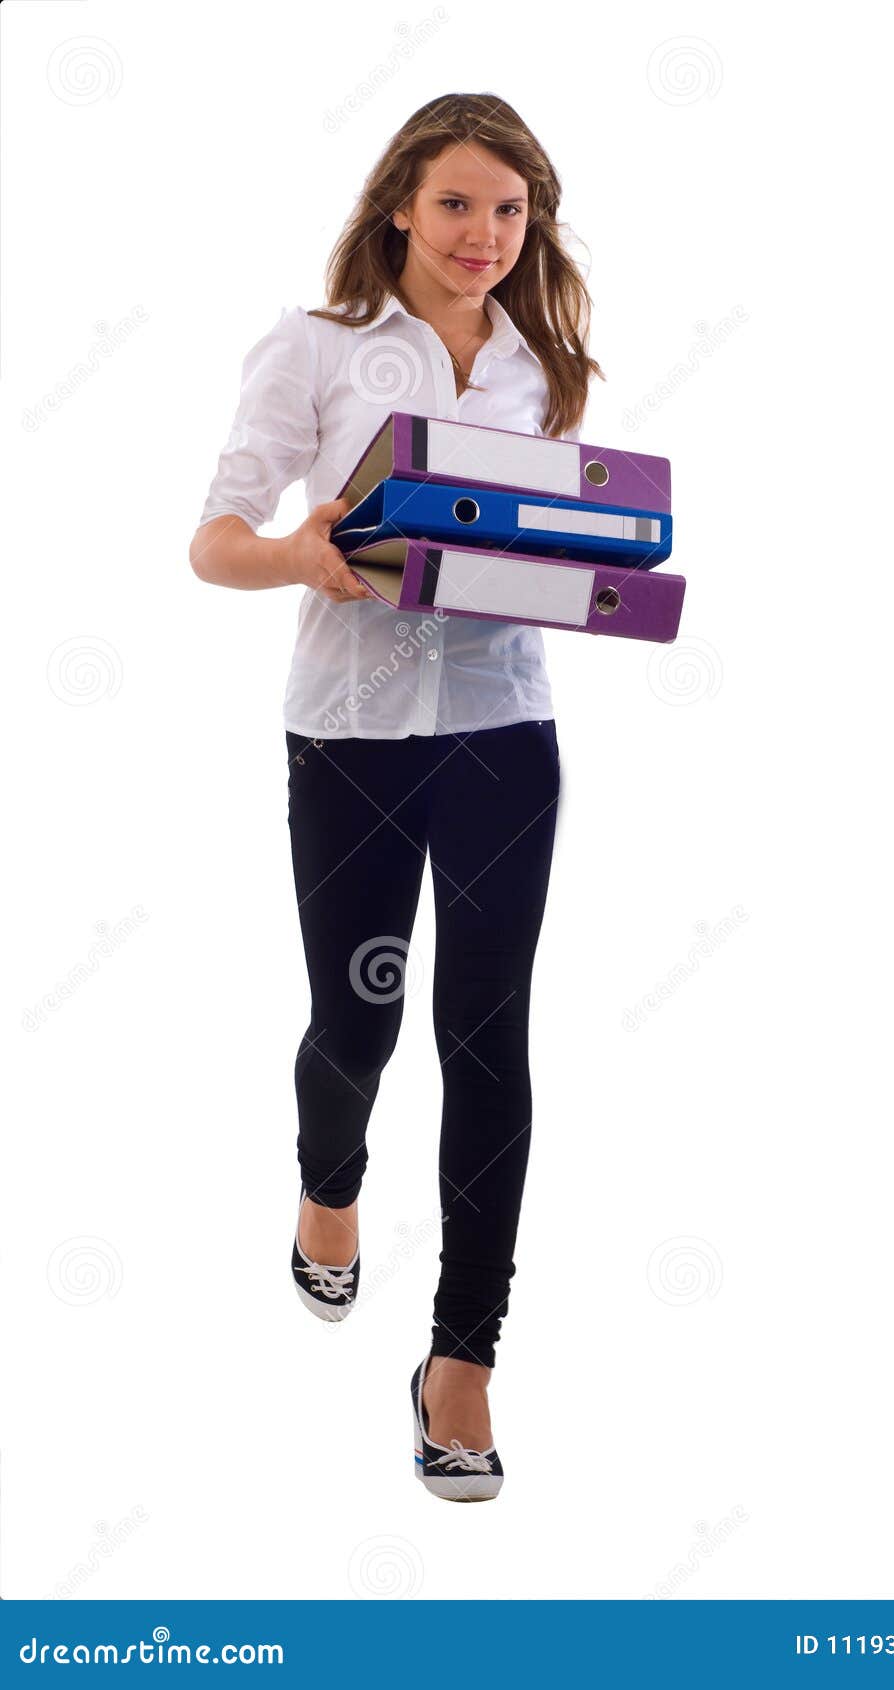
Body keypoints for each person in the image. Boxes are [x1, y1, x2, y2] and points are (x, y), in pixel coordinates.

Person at [188, 93, 602, 1501]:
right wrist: (299, 554)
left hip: (503, 731)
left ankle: (461, 1361)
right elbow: (215, 540)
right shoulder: (316, 350)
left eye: (510, 211)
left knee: (488, 1033)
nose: (483, 236)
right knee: (357, 1016)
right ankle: (328, 1179)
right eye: (456, 205)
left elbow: (538, 547)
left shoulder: (542, 372)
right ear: (396, 211)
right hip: (353, 732)